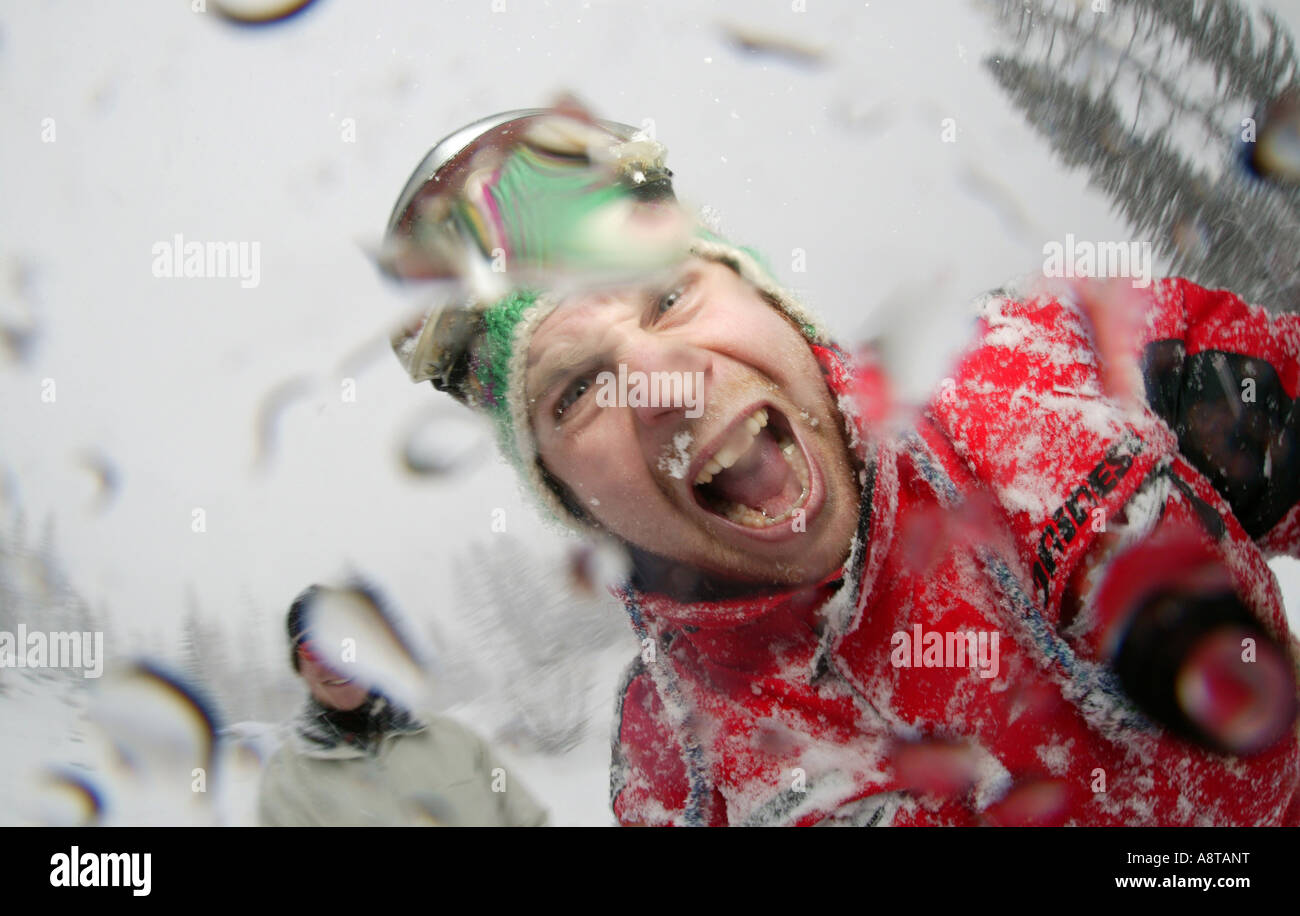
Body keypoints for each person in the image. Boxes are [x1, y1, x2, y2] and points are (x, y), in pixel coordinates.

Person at [384, 105, 1300, 825]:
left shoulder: (1056, 361)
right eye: (579, 387)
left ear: (763, 295)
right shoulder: (682, 779)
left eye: (668, 296)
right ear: (565, 496)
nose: (664, 385)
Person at [257, 584, 549, 826]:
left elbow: (528, 820)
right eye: (314, 649)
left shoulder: (454, 739)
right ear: (298, 667)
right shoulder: (286, 783)